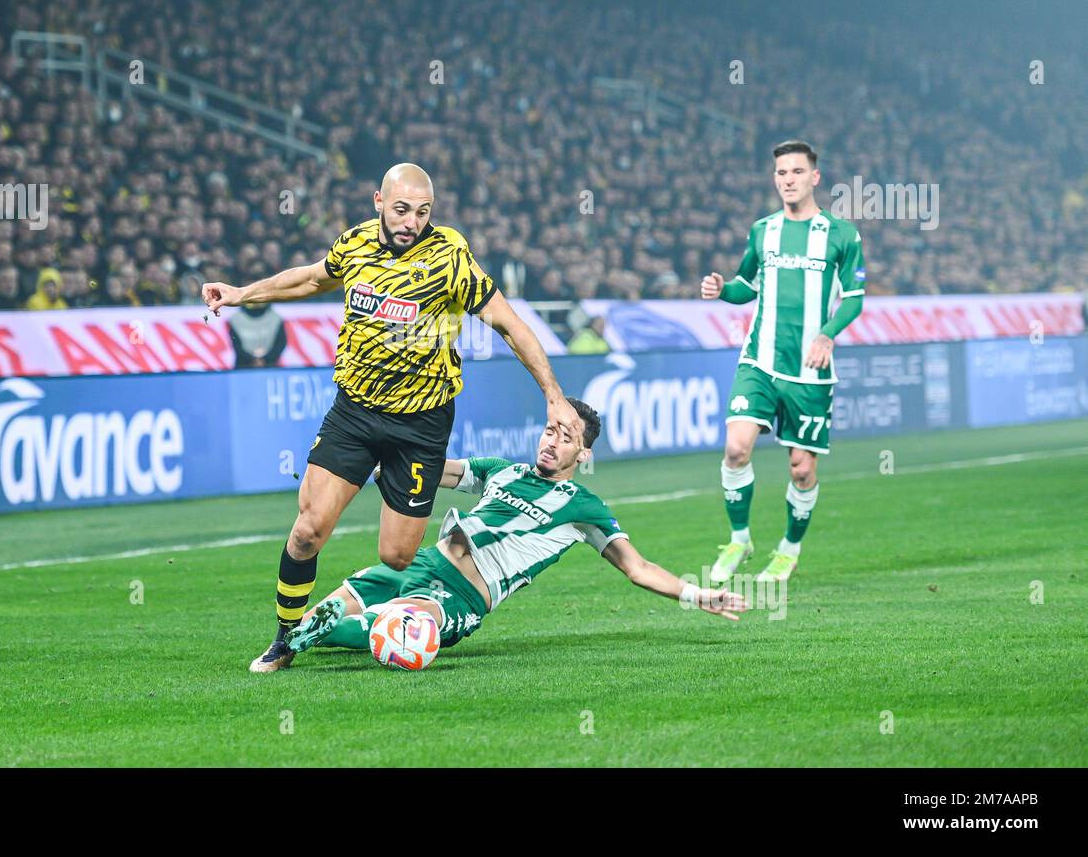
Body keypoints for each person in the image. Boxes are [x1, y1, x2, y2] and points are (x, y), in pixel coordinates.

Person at [202, 163, 584, 672]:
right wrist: (241, 293)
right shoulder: (355, 244)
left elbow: (509, 324)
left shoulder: (450, 257)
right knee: (307, 530)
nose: (411, 222)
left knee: (398, 557)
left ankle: (394, 593)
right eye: (402, 209)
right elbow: (312, 279)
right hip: (355, 412)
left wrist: (553, 394)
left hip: (420, 426)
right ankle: (286, 637)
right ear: (378, 200)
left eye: (423, 212)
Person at [284, 398, 747, 667]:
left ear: (583, 455)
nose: (553, 441)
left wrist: (696, 594)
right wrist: (384, 457)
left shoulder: (584, 508)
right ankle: (304, 633)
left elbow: (637, 567)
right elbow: (434, 471)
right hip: (424, 561)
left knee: (406, 637)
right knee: (340, 602)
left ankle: (319, 633)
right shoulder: (502, 471)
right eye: (550, 430)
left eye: (567, 438)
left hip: (463, 596)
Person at [700, 140, 865, 583]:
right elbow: (745, 285)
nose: (787, 180)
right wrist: (722, 289)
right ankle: (739, 540)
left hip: (810, 373)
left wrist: (828, 334)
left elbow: (855, 299)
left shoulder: (842, 235)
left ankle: (789, 550)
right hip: (759, 361)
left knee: (802, 468)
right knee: (736, 449)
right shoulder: (763, 231)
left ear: (814, 177)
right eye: (780, 173)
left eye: (796, 172)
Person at [227, 302, 287, 368]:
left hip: (270, 366)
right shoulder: (235, 319)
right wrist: (256, 360)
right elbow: (236, 346)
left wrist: (265, 359)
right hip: (244, 367)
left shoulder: (276, 318)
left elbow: (281, 343)